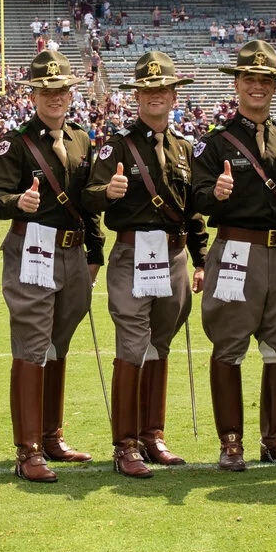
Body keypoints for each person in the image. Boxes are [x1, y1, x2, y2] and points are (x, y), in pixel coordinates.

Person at [192, 38, 276, 471]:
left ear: (274, 86)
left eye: (264, 80)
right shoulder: (216, 143)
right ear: (237, 84)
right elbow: (196, 196)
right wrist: (216, 193)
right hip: (235, 250)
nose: (256, 87)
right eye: (249, 79)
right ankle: (231, 443)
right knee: (229, 345)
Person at [84, 49, 207, 477]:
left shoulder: (184, 149)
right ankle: (125, 444)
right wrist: (108, 194)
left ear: (174, 96)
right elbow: (88, 197)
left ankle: (153, 434)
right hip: (132, 252)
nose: (156, 95)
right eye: (147, 89)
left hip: (172, 254)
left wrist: (201, 258)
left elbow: (191, 210)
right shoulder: (117, 146)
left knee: (161, 343)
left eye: (163, 89)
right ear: (137, 96)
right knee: (133, 344)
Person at [0, 47, 104, 481]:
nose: (55, 96)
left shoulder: (80, 138)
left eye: (62, 89)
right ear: (34, 93)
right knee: (33, 346)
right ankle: (28, 448)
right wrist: (18, 200)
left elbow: (87, 204)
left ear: (71, 92)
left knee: (59, 344)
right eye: (46, 89)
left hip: (72, 253)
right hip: (32, 248)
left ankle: (51, 434)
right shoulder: (15, 143)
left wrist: (95, 252)